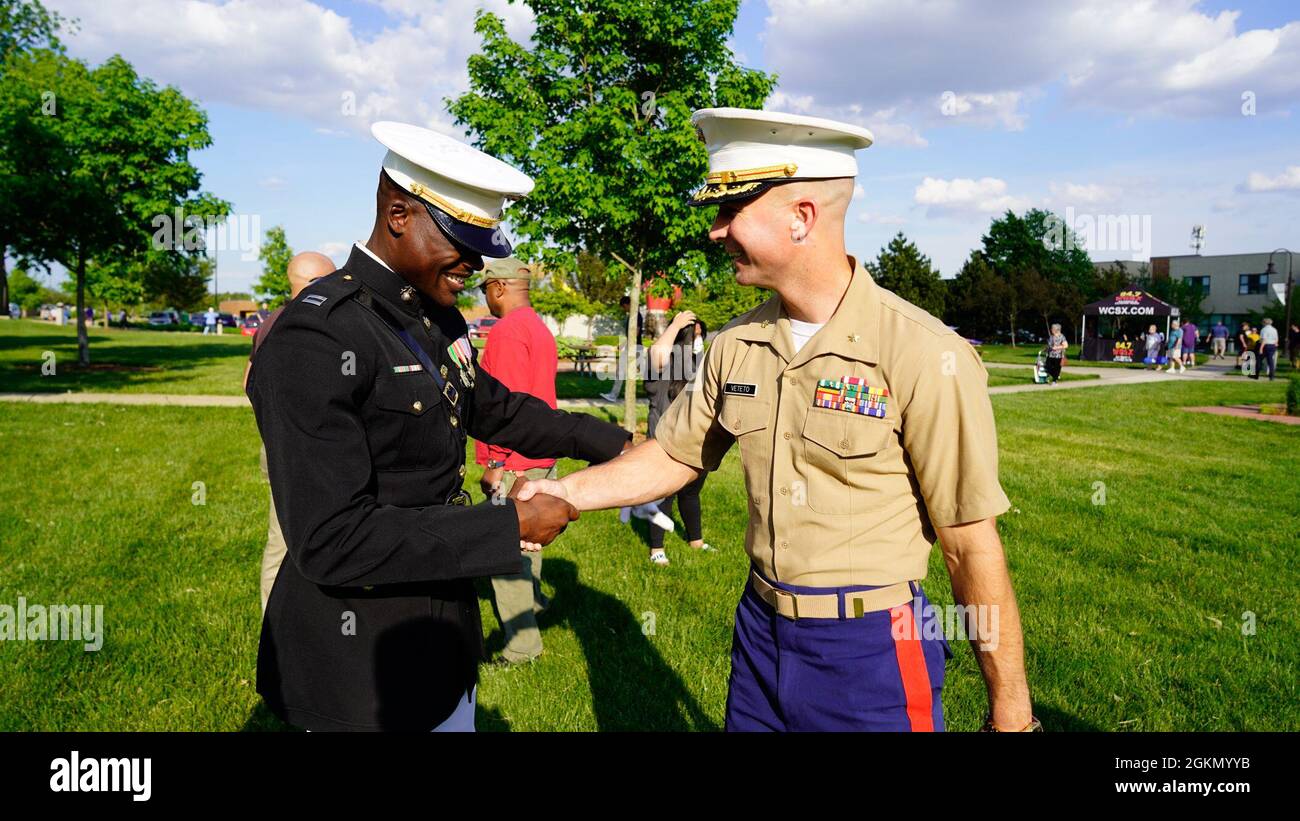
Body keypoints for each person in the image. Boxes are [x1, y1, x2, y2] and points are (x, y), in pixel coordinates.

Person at [516, 108, 1037, 732]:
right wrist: (564, 493)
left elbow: (968, 543)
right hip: (760, 634)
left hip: (872, 648)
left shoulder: (923, 353)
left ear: (801, 217)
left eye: (730, 211)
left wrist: (1012, 715)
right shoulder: (737, 343)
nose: (714, 231)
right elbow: (675, 454)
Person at [246, 121, 631, 732]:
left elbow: (493, 408)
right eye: (460, 237)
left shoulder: (430, 318)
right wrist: (508, 525)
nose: (475, 262)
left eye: (483, 241)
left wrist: (617, 443)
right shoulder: (317, 337)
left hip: (442, 640)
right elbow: (331, 540)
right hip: (360, 671)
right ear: (398, 213)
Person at [473, 256, 560, 664]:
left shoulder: (506, 332)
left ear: (499, 288)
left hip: (514, 461)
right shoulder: (539, 328)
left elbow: (505, 406)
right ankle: (535, 605)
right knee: (530, 543)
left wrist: (495, 461)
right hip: (541, 454)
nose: (485, 299)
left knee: (503, 551)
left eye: (484, 290)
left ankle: (521, 648)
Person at [244, 251, 335, 612]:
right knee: (320, 538)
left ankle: (276, 623)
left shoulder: (269, 323)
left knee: (280, 539)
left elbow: (248, 382)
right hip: (314, 452)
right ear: (318, 282)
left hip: (278, 447)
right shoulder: (320, 321)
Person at [644, 310, 713, 564]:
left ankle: (696, 541)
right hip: (663, 445)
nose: (698, 341)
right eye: (693, 336)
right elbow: (656, 354)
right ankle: (656, 549)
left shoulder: (700, 363)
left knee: (691, 494)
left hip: (694, 443)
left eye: (700, 336)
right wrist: (675, 325)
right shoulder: (663, 366)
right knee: (662, 496)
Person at [600, 295, 644, 402]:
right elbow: (631, 335)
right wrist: (622, 345)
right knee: (629, 371)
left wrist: (626, 345)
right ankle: (613, 395)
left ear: (627, 305)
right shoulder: (633, 315)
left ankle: (613, 395)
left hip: (634, 348)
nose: (624, 309)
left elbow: (635, 333)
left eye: (624, 307)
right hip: (632, 347)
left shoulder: (636, 316)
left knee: (637, 371)